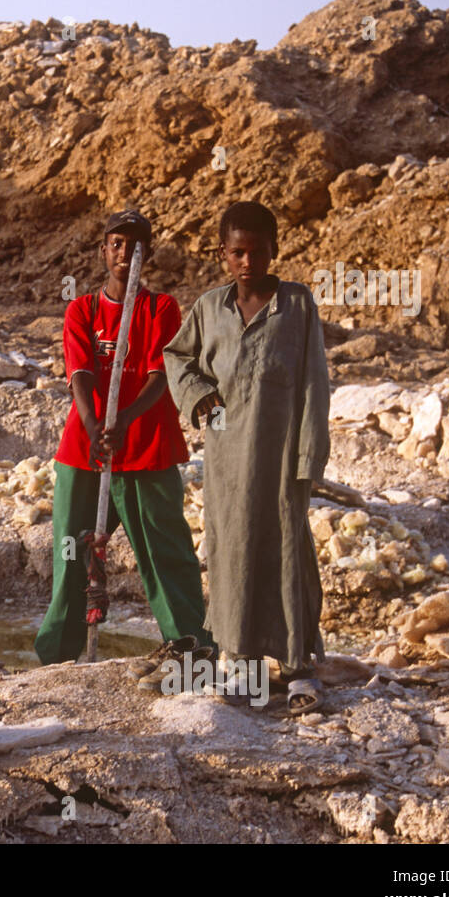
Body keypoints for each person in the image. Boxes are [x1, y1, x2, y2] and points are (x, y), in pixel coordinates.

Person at [35, 209, 215, 688]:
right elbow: (81, 374)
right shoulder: (83, 310)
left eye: (135, 246)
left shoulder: (162, 310)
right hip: (85, 449)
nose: (124, 254)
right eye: (116, 244)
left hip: (146, 446)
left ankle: (189, 647)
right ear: (103, 251)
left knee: (163, 546)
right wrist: (97, 427)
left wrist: (123, 422)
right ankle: (57, 655)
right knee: (73, 550)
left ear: (147, 254)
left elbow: (161, 376)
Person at [163, 201, 331, 714]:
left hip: (282, 455)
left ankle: (298, 667)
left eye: (257, 251)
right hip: (227, 457)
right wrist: (197, 396)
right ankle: (241, 662)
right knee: (232, 549)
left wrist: (308, 458)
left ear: (274, 251)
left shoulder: (297, 306)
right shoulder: (210, 308)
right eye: (237, 252)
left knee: (286, 548)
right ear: (222, 254)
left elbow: (314, 383)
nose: (247, 262)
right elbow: (176, 357)